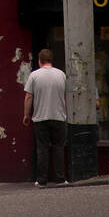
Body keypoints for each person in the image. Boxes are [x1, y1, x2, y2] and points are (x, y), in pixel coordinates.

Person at [23, 47, 68, 187]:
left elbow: (29, 96)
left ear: (40, 60)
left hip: (40, 117)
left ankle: (42, 180)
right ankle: (60, 178)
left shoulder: (34, 76)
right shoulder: (61, 75)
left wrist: (26, 114)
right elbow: (65, 96)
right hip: (59, 117)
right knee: (59, 148)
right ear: (51, 60)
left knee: (42, 149)